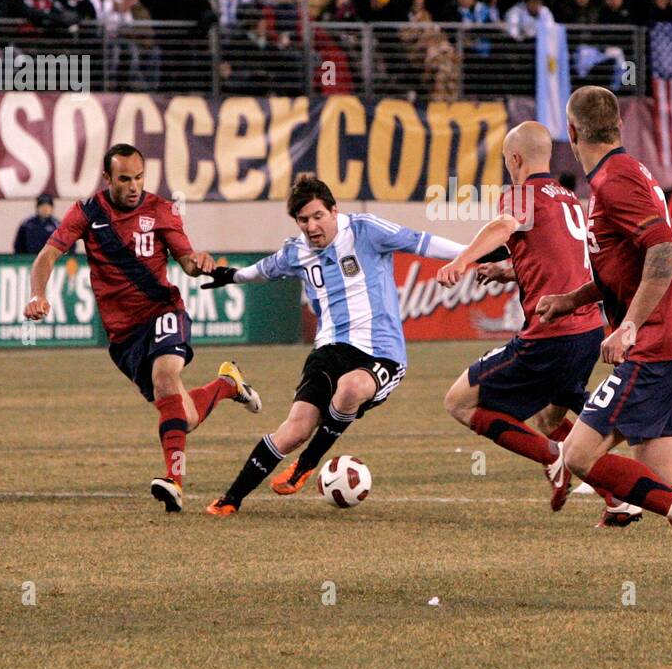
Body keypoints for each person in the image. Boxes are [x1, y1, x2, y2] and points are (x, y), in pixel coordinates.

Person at [535, 86, 672, 617]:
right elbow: (627, 267)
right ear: (617, 127)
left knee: (580, 455)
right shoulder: (620, 175)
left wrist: (630, 326)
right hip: (668, 342)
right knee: (660, 468)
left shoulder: (616, 182)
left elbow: (663, 249)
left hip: (654, 346)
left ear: (571, 134)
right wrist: (573, 298)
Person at [199, 174, 477, 513]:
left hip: (381, 353)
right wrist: (231, 276)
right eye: (304, 220)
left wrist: (473, 254)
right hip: (328, 350)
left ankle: (306, 465)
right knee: (294, 429)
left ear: (334, 210)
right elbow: (263, 269)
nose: (312, 226)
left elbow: (422, 242)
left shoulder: (364, 230)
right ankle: (231, 499)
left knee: (349, 389)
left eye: (318, 216)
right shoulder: (296, 251)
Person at [23, 144, 262, 513]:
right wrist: (38, 295)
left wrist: (199, 262)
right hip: (123, 335)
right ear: (107, 178)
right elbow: (48, 256)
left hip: (163, 310)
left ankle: (174, 480)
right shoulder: (86, 212)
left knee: (166, 377)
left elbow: (186, 262)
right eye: (124, 179)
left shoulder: (162, 210)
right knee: (184, 416)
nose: (133, 186)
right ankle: (226, 385)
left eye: (139, 178)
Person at [435, 121, 641, 527]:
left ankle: (553, 457)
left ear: (514, 159)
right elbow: (559, 260)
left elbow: (503, 226)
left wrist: (464, 260)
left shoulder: (522, 195)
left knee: (458, 402)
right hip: (586, 332)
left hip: (551, 336)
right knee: (549, 418)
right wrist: (508, 271)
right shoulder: (566, 197)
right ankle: (619, 498)